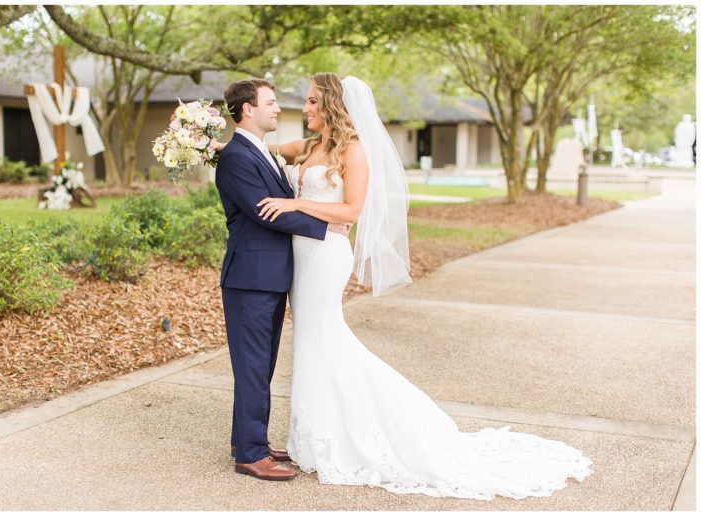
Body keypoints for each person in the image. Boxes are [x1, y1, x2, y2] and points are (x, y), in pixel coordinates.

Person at [253, 73, 594, 500]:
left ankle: (369, 430)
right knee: (310, 342)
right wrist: (204, 138)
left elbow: (352, 209)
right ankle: (317, 434)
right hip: (300, 258)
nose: (304, 109)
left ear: (332, 106)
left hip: (325, 258)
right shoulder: (307, 147)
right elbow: (256, 148)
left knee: (325, 337)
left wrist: (296, 202)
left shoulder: (353, 150)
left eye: (311, 102)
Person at [214, 79, 351, 482]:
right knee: (253, 366)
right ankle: (251, 455)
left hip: (270, 276)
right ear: (247, 111)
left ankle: (247, 440)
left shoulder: (258, 150)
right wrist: (326, 229)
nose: (278, 109)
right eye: (270, 103)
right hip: (250, 278)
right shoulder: (240, 156)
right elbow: (264, 211)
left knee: (261, 364)